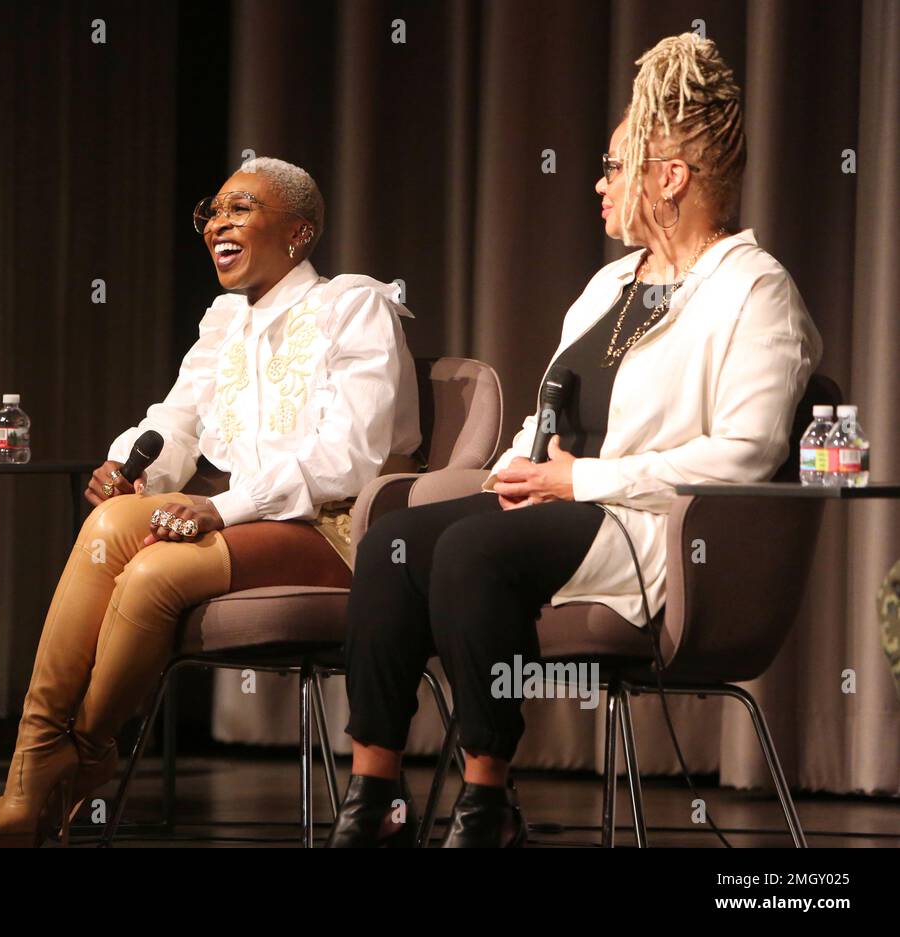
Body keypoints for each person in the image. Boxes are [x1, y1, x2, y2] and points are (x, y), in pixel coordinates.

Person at [330, 34, 823, 847]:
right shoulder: (607, 284)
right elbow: (548, 416)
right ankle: (373, 793)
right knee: (393, 542)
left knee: (470, 556)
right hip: (557, 505)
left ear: (671, 177)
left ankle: (488, 800)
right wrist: (515, 468)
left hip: (646, 527)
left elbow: (745, 453)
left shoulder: (754, 289)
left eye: (615, 164)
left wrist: (580, 480)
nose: (599, 183)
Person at [0, 157, 421, 846]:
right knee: (110, 520)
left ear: (298, 233)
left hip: (337, 530)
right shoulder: (224, 321)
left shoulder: (352, 305)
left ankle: (76, 751)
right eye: (212, 211)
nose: (218, 221)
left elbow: (349, 457)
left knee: (155, 571)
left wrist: (225, 506)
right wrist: (130, 468)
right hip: (244, 518)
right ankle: (40, 757)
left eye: (240, 208)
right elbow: (176, 420)